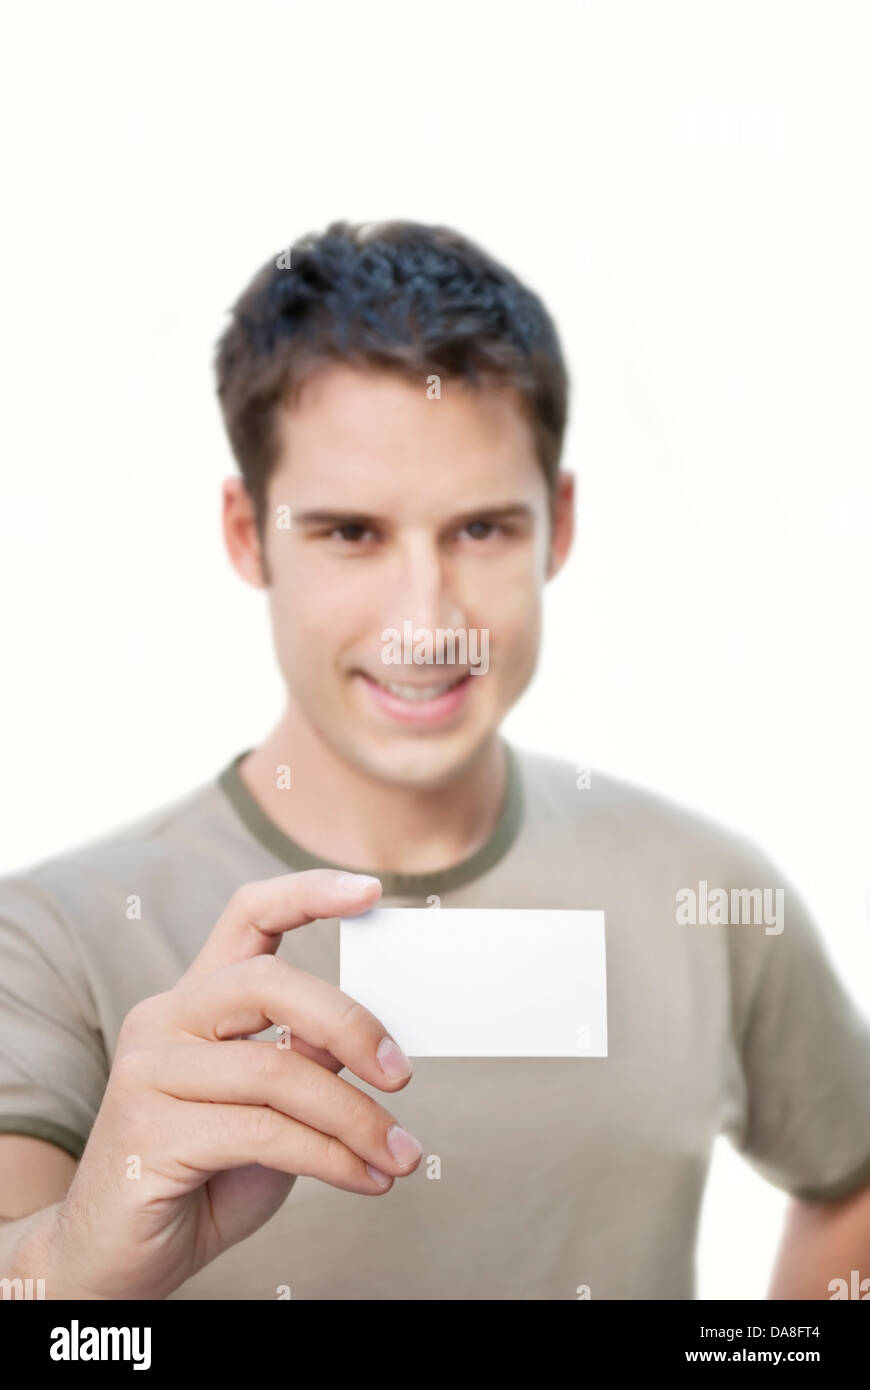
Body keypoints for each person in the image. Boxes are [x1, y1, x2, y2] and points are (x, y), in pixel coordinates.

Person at [1, 221, 868, 1300]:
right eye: (351, 533)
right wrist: (77, 1260)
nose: (427, 624)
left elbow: (852, 1183)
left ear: (559, 524)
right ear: (245, 532)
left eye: (480, 531)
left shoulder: (713, 892)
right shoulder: (47, 939)